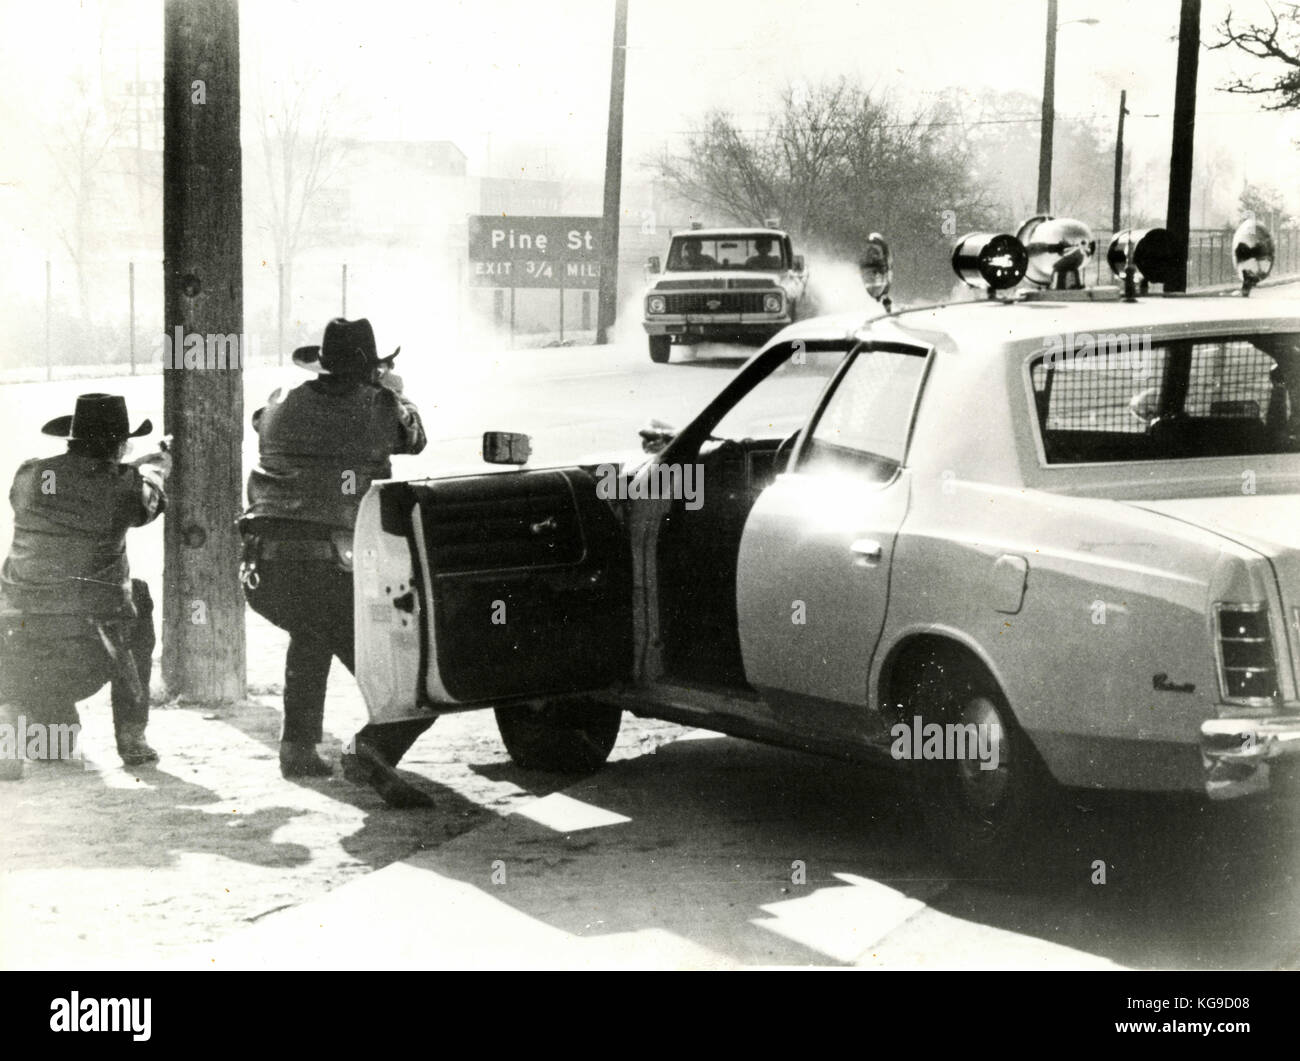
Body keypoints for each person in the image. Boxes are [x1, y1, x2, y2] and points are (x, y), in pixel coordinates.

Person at [240, 317, 434, 807]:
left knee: (311, 631)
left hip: (265, 570)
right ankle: (375, 748)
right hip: (327, 566)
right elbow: (415, 439)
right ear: (370, 368)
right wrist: (393, 391)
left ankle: (297, 747)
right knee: (413, 675)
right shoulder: (380, 405)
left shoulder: (283, 400)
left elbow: (264, 420)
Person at [0, 393, 170, 780]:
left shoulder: (30, 476)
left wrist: (119, 472)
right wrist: (155, 468)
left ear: (71, 440)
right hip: (89, 646)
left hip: (17, 643)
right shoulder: (126, 485)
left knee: (53, 748)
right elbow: (150, 503)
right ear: (120, 446)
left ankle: (7, 715)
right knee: (138, 595)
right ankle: (131, 735)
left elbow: (68, 489)